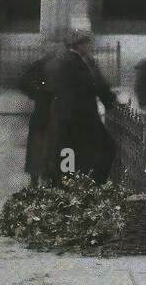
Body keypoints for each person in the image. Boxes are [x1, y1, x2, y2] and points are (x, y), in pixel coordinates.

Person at [46, 30, 117, 183]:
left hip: (65, 116)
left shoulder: (61, 60)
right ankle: (94, 185)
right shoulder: (75, 62)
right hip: (80, 117)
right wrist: (111, 101)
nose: (90, 46)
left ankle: (66, 185)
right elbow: (95, 84)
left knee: (68, 153)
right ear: (79, 45)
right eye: (87, 43)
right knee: (107, 148)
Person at [20, 51, 55, 186]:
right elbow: (23, 82)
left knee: (45, 144)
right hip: (46, 110)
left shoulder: (60, 62)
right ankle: (36, 178)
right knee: (39, 143)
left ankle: (43, 177)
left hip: (50, 110)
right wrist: (38, 93)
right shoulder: (42, 63)